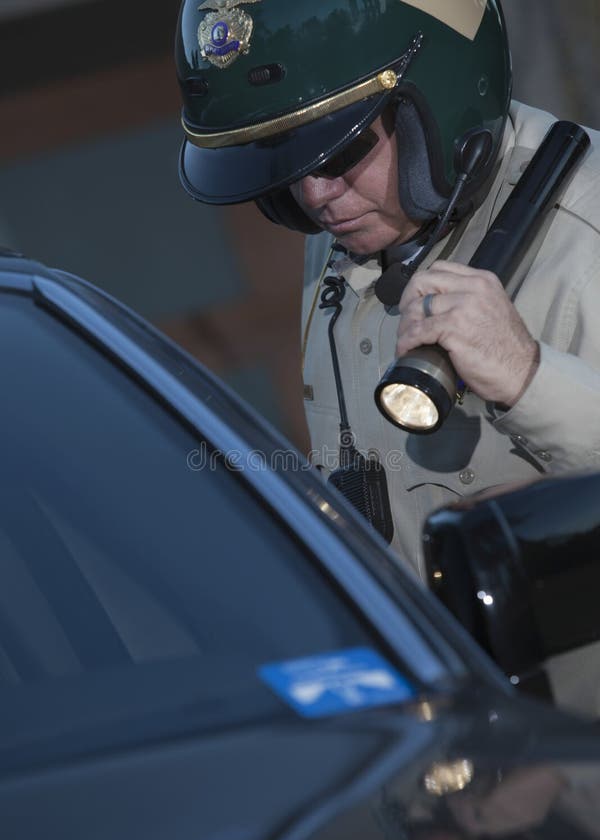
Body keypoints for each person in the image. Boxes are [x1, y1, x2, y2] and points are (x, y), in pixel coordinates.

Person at [175, 0, 600, 579]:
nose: (316, 195)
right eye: (285, 161)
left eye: (341, 148)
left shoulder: (588, 227)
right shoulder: (353, 224)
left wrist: (526, 376)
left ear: (440, 98)